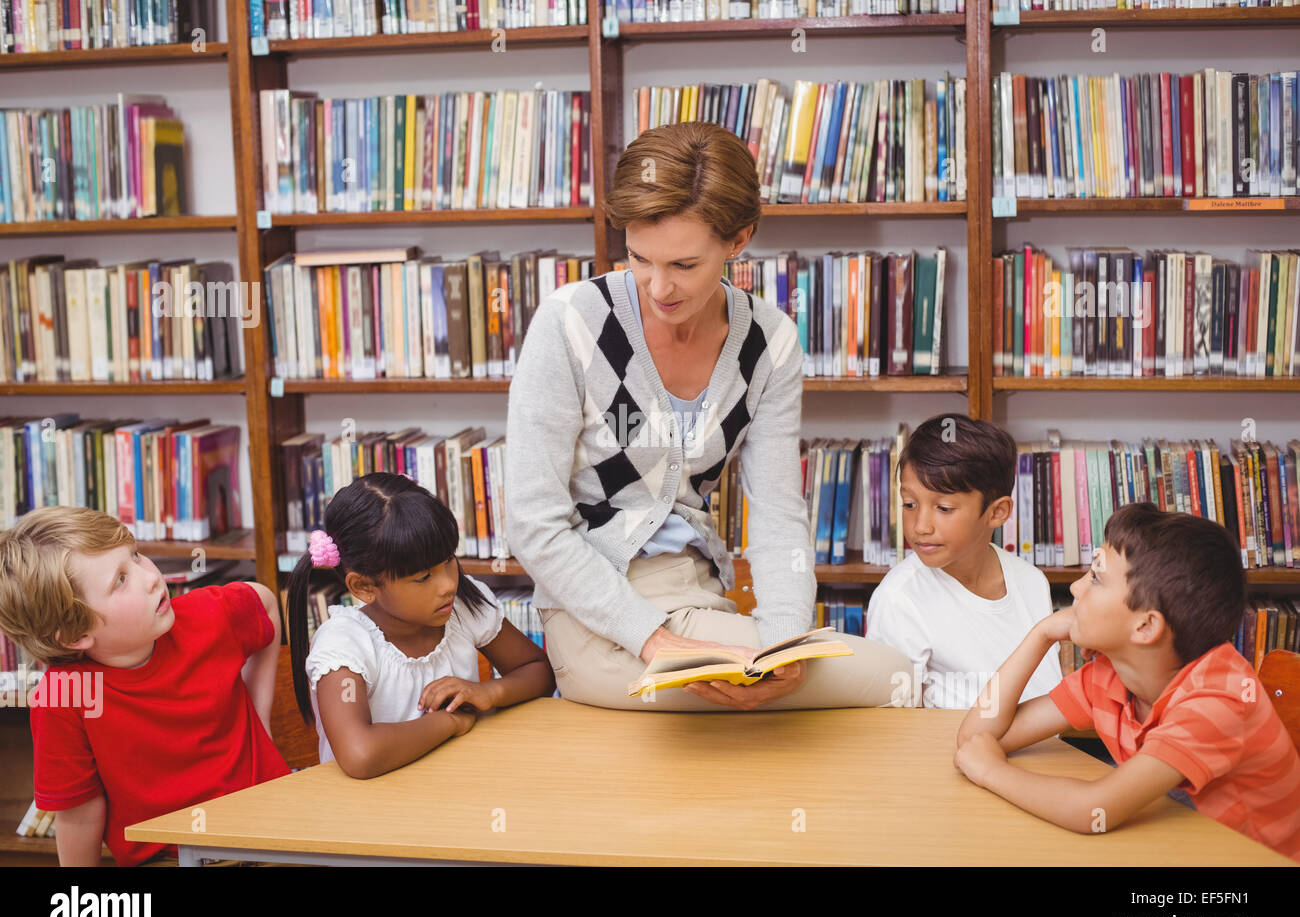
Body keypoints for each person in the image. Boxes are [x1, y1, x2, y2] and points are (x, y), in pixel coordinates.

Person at [505, 120, 911, 711]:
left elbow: (775, 512)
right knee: (893, 681)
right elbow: (533, 523)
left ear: (739, 239)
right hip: (593, 617)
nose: (657, 286)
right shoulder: (571, 322)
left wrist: (784, 643)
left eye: (685, 265)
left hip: (699, 600)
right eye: (640, 258)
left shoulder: (769, 343)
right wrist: (650, 638)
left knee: (852, 688)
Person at [954, 502, 1300, 861]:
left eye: (1096, 579)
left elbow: (1093, 811)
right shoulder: (1110, 674)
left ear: (1146, 627)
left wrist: (991, 772)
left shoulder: (1220, 700)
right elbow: (977, 739)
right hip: (1179, 837)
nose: (1074, 588)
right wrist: (1040, 634)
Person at [0, 506, 288, 866]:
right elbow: (79, 813)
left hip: (273, 836)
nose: (150, 576)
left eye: (135, 555)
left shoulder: (211, 615)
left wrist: (261, 721)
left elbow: (264, 602)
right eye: (120, 579)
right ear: (76, 636)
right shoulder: (64, 697)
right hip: (168, 858)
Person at [287, 472, 554, 778]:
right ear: (363, 587)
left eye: (448, 561)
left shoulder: (463, 604)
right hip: (371, 811)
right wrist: (449, 723)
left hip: (459, 789)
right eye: (424, 577)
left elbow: (539, 670)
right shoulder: (344, 644)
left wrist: (488, 692)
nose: (448, 585)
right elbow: (360, 754)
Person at [867, 414, 1059, 708]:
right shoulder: (899, 599)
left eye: (943, 508)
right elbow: (895, 725)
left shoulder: (1030, 581)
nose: (920, 526)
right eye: (909, 504)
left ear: (997, 512)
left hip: (1044, 750)